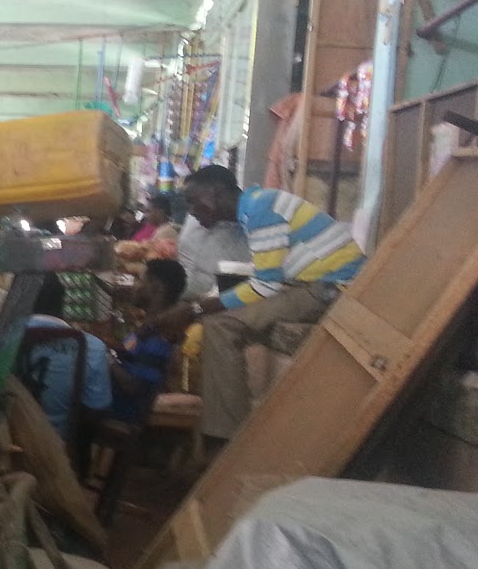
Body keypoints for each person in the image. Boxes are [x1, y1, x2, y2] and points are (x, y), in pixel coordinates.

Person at [150, 165, 367, 444]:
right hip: (313, 283)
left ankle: (227, 439)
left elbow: (266, 285)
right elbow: (268, 277)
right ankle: (224, 432)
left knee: (221, 325)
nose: (191, 210)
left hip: (331, 287)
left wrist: (195, 309)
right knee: (219, 320)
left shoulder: (261, 209)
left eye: (194, 200)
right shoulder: (256, 208)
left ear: (216, 193)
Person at [0, 274, 112, 442]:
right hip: (57, 451)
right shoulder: (92, 347)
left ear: (17, 302)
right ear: (62, 302)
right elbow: (96, 410)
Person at [108, 259, 188, 426]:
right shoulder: (148, 328)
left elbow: (136, 387)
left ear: (156, 287)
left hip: (122, 410)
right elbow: (126, 352)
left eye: (140, 280)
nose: (135, 286)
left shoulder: (161, 336)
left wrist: (106, 359)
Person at [175, 209, 252, 301]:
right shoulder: (196, 220)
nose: (192, 211)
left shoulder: (245, 228)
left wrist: (197, 308)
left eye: (193, 200)